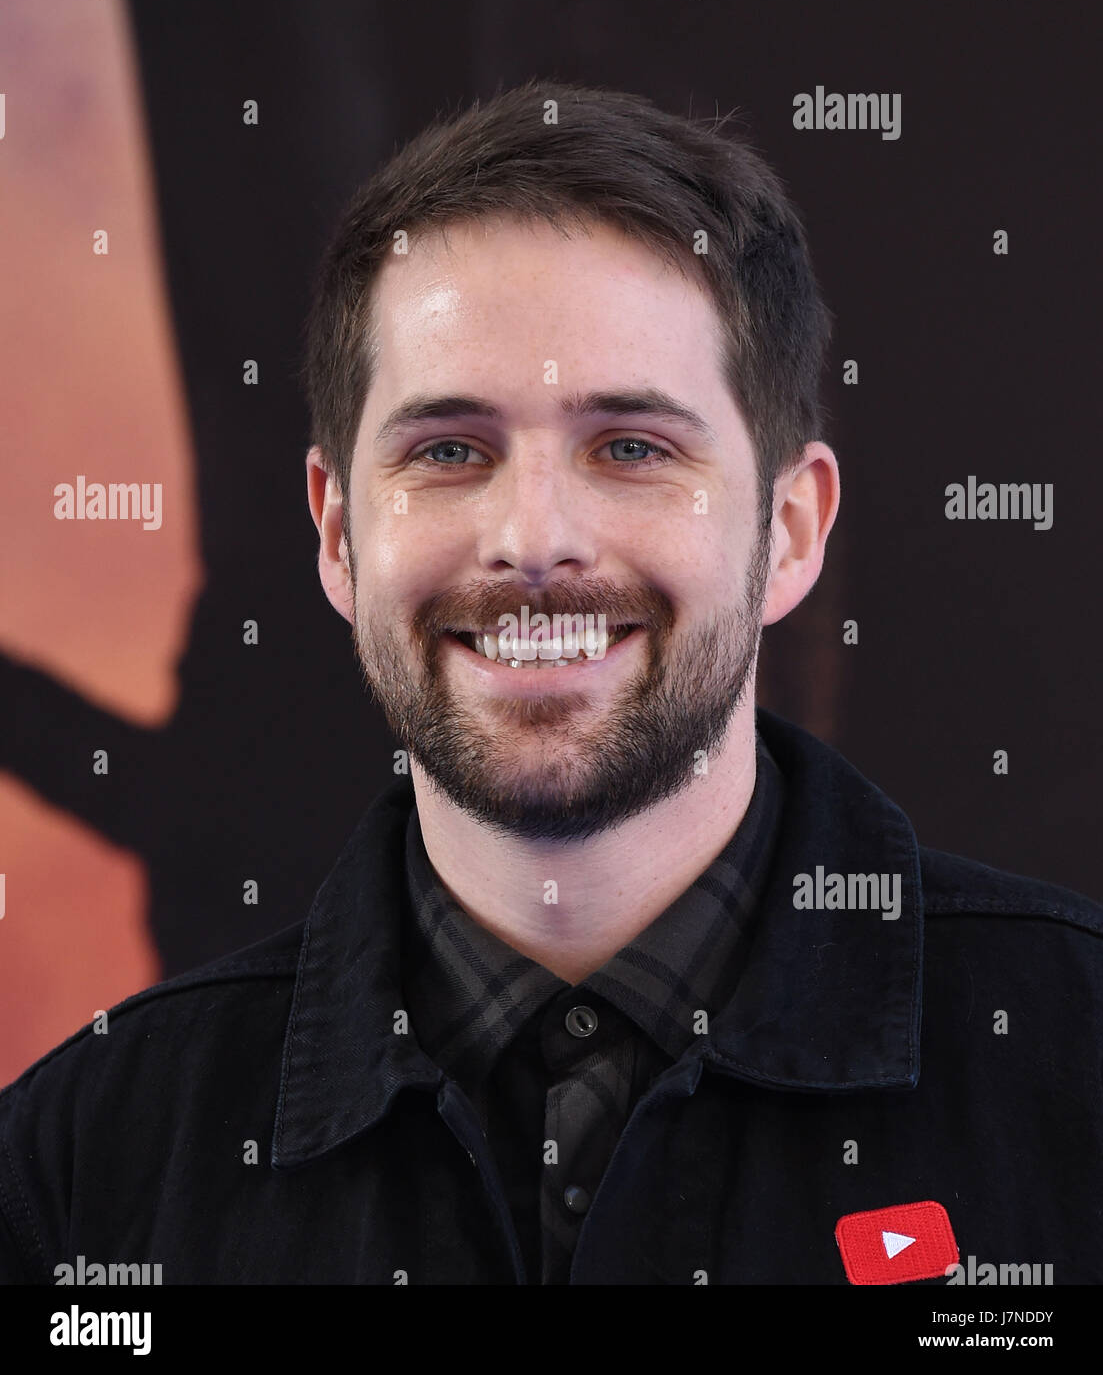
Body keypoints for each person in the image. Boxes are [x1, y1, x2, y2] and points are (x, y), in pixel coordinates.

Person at [2, 78, 1101, 1288]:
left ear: (789, 530)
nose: (532, 536)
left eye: (630, 446)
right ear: (334, 534)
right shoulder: (80, 1172)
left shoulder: (1075, 1065)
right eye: (447, 451)